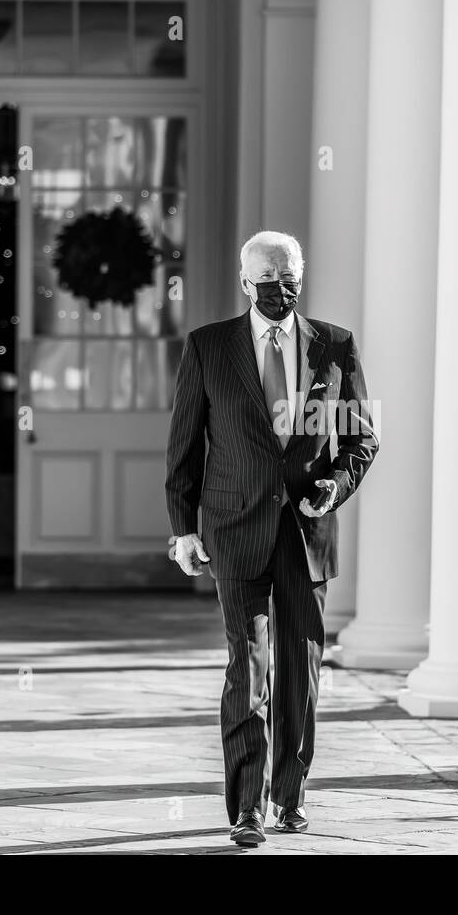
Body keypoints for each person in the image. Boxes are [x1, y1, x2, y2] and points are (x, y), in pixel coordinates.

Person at [165, 230, 379, 847]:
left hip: (306, 532)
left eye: (290, 280)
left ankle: (290, 796)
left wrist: (334, 487)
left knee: (300, 671)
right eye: (267, 280)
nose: (280, 291)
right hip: (234, 529)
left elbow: (360, 437)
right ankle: (246, 807)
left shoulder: (336, 346)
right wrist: (182, 528)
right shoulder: (208, 347)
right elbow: (185, 444)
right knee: (249, 663)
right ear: (244, 281)